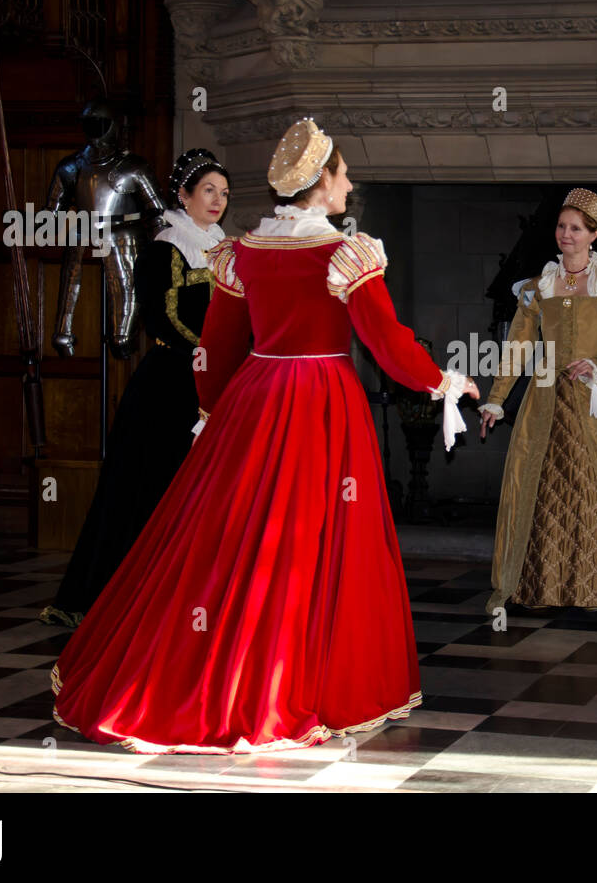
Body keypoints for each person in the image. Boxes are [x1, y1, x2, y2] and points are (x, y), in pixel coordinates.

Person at [51, 119, 476, 752]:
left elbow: (217, 351)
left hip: (253, 399)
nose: (350, 183)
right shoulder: (346, 254)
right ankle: (294, 682)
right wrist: (443, 381)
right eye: (343, 173)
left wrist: (214, 416)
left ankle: (207, 672)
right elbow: (387, 345)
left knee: (233, 547)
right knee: (312, 546)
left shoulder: (244, 250)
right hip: (322, 403)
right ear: (322, 184)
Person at [39, 148, 230, 628]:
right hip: (171, 383)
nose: (218, 200)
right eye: (208, 190)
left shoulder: (222, 244)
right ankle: (122, 593)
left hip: (213, 378)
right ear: (183, 195)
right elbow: (163, 316)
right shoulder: (166, 246)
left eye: (224, 193)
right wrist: (212, 351)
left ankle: (191, 590)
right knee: (146, 489)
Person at [479, 189, 597, 613]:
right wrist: (496, 401)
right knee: (550, 490)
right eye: (561, 226)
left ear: (594, 234)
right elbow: (517, 348)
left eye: (575, 228)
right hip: (546, 404)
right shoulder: (536, 289)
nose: (565, 235)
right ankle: (549, 588)